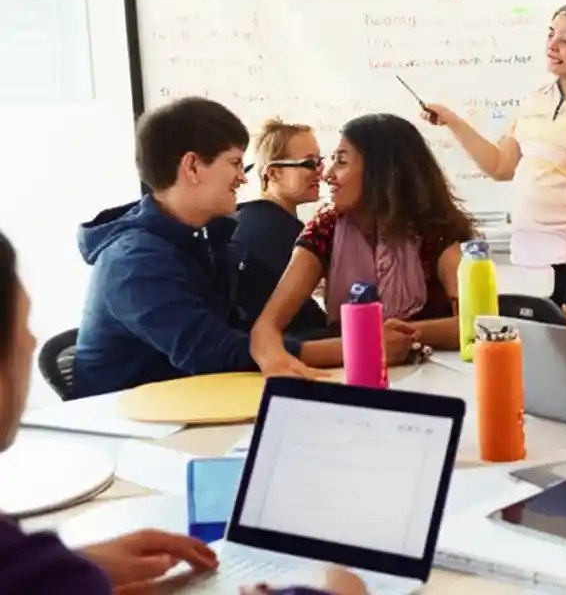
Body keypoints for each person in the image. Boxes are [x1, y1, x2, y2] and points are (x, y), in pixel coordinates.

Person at [0, 228, 368, 594]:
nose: (32, 341)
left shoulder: (207, 246)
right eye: (23, 326)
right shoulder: (135, 259)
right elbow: (217, 350)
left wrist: (82, 569)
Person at [424, 0, 566, 329]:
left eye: (565, 40)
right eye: (550, 34)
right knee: (534, 350)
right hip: (536, 260)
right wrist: (452, 120)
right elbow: (500, 166)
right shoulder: (537, 99)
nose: (551, 45)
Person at [75, 98, 310, 398]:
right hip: (126, 430)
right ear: (193, 167)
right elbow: (214, 353)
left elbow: (242, 332)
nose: (243, 177)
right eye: (235, 163)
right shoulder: (133, 261)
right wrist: (350, 348)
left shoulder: (204, 240)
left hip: (187, 409)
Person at [250, 114, 477, 373]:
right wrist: (279, 360)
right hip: (352, 373)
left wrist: (404, 333)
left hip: (436, 377)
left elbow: (474, 322)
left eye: (341, 162)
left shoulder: (435, 231)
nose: (327, 175)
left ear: (381, 173)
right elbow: (266, 328)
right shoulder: (326, 228)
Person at [234, 117, 328, 335]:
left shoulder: (248, 217)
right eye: (308, 164)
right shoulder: (275, 231)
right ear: (273, 173)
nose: (320, 172)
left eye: (319, 162)